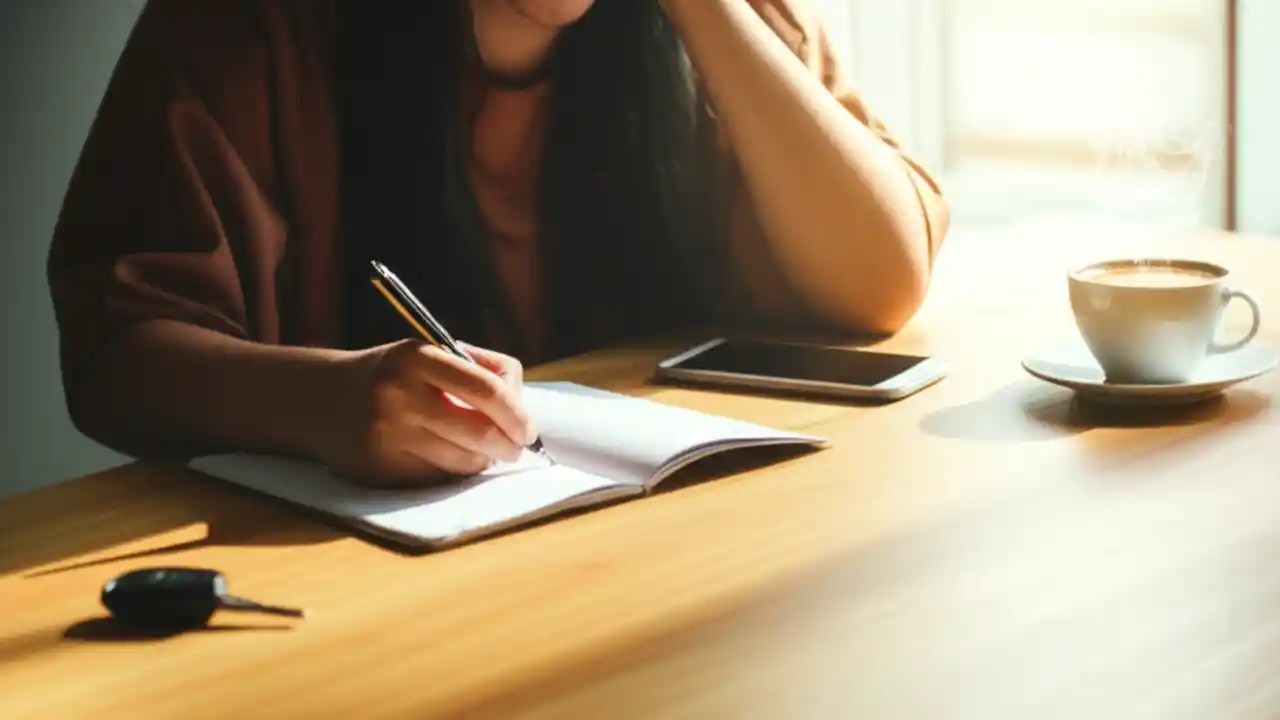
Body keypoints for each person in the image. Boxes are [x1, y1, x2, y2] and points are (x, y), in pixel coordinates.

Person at [49, 0, 948, 486]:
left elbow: (879, 283)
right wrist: (323, 401)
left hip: (658, 567)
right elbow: (121, 357)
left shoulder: (721, 28)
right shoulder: (252, 27)